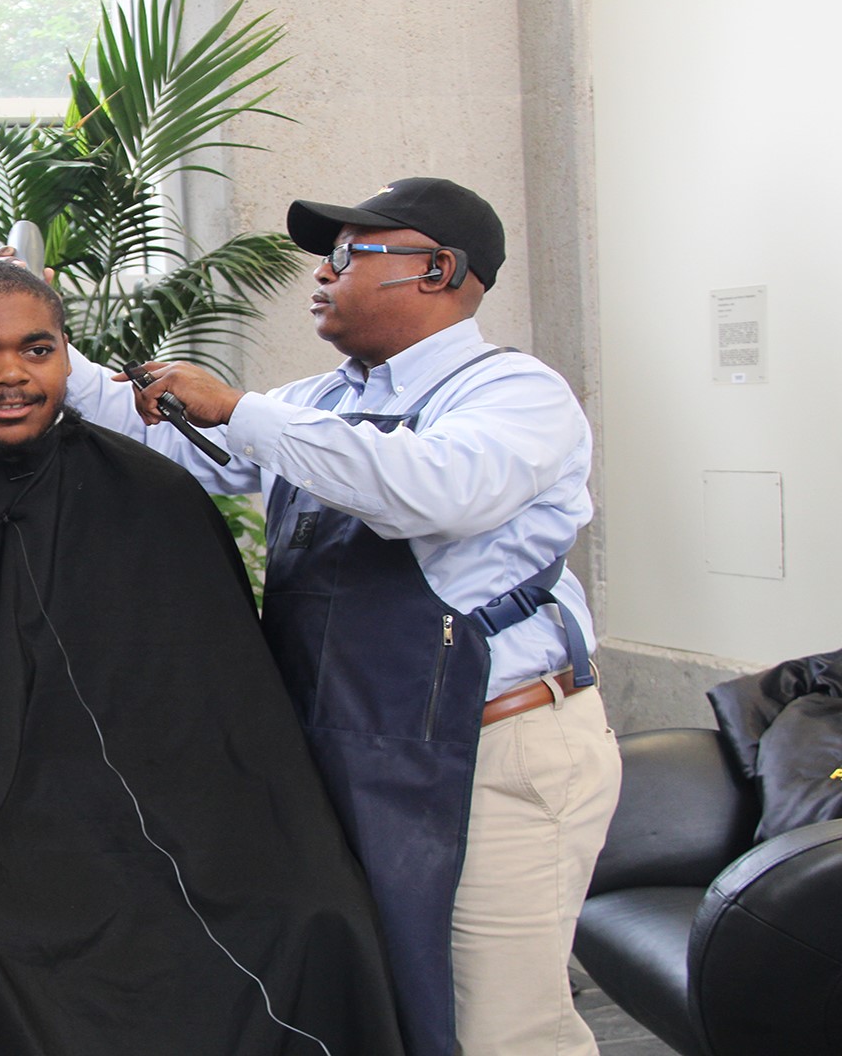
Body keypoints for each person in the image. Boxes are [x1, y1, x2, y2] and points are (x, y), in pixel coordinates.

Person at [0, 259, 405, 1055]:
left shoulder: (156, 497)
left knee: (313, 908)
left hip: (163, 822)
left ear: (65, 357)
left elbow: (232, 717)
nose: (10, 375)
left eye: (36, 350)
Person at [67, 177, 622, 1056]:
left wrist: (243, 413)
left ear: (438, 269)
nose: (320, 275)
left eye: (349, 254)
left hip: (496, 755)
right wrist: (50, 358)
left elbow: (431, 491)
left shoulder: (517, 393)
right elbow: (170, 445)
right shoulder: (322, 403)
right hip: (365, 756)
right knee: (395, 1011)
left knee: (499, 1027)